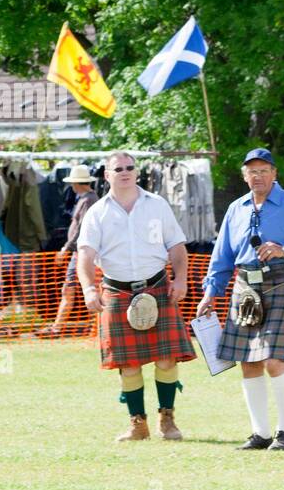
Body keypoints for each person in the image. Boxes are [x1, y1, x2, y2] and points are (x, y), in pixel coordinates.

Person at [197, 148, 284, 451]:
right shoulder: (236, 209)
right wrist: (210, 294)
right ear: (245, 176)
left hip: (281, 281)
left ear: (274, 173)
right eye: (252, 171)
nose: (258, 176)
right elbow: (222, 257)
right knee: (248, 362)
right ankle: (260, 433)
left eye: (263, 170)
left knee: (274, 360)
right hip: (244, 287)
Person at [77, 151, 195, 442]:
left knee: (167, 359)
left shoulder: (157, 205)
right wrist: (89, 288)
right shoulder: (97, 212)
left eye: (130, 167)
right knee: (128, 363)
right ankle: (137, 424)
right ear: (107, 175)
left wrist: (180, 279)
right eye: (118, 169)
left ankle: (167, 419)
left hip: (157, 286)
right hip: (116, 290)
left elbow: (177, 247)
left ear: (137, 172)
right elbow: (85, 255)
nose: (125, 172)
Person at [37, 165, 99, 338]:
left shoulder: (88, 200)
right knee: (76, 288)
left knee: (72, 288)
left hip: (82, 252)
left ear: (77, 183)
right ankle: (61, 326)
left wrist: (67, 248)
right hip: (80, 251)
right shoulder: (87, 198)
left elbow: (81, 229)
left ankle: (58, 327)